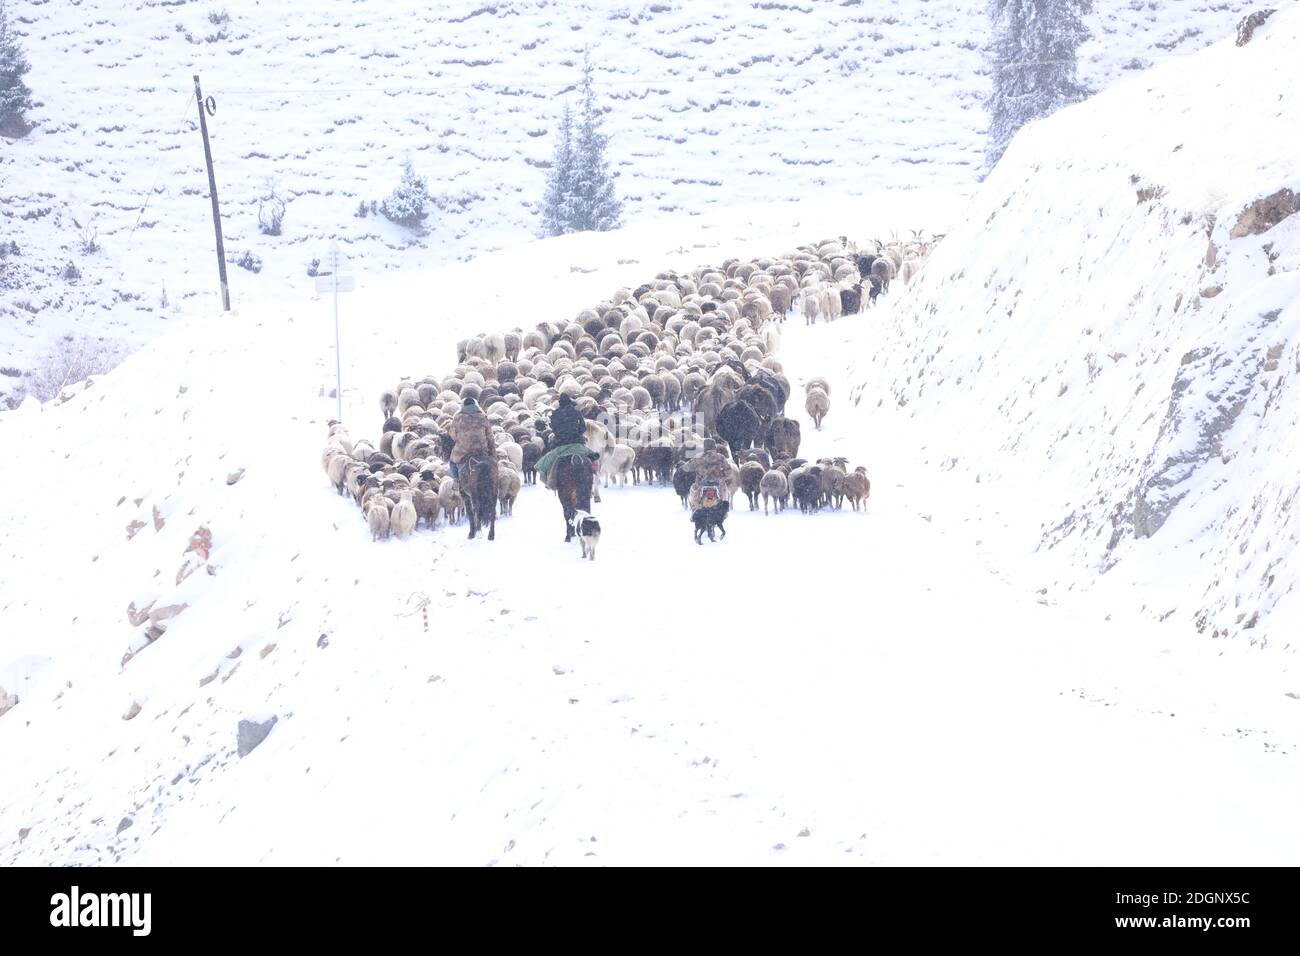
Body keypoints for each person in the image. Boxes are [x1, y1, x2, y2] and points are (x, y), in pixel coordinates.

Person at [448, 396, 495, 483]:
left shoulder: (458, 418)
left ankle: (456, 481)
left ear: (463, 406)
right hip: (481, 451)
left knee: (452, 462)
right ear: (475, 405)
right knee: (494, 465)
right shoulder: (483, 417)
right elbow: (490, 437)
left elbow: (452, 436)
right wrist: (492, 453)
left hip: (463, 452)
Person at [681, 438, 731, 509]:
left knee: (693, 496)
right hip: (718, 484)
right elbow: (729, 471)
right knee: (725, 496)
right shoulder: (720, 457)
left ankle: (695, 510)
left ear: (704, 447)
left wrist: (688, 468)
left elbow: (686, 467)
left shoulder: (698, 457)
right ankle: (724, 511)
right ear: (714, 447)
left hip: (700, 484)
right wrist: (723, 477)